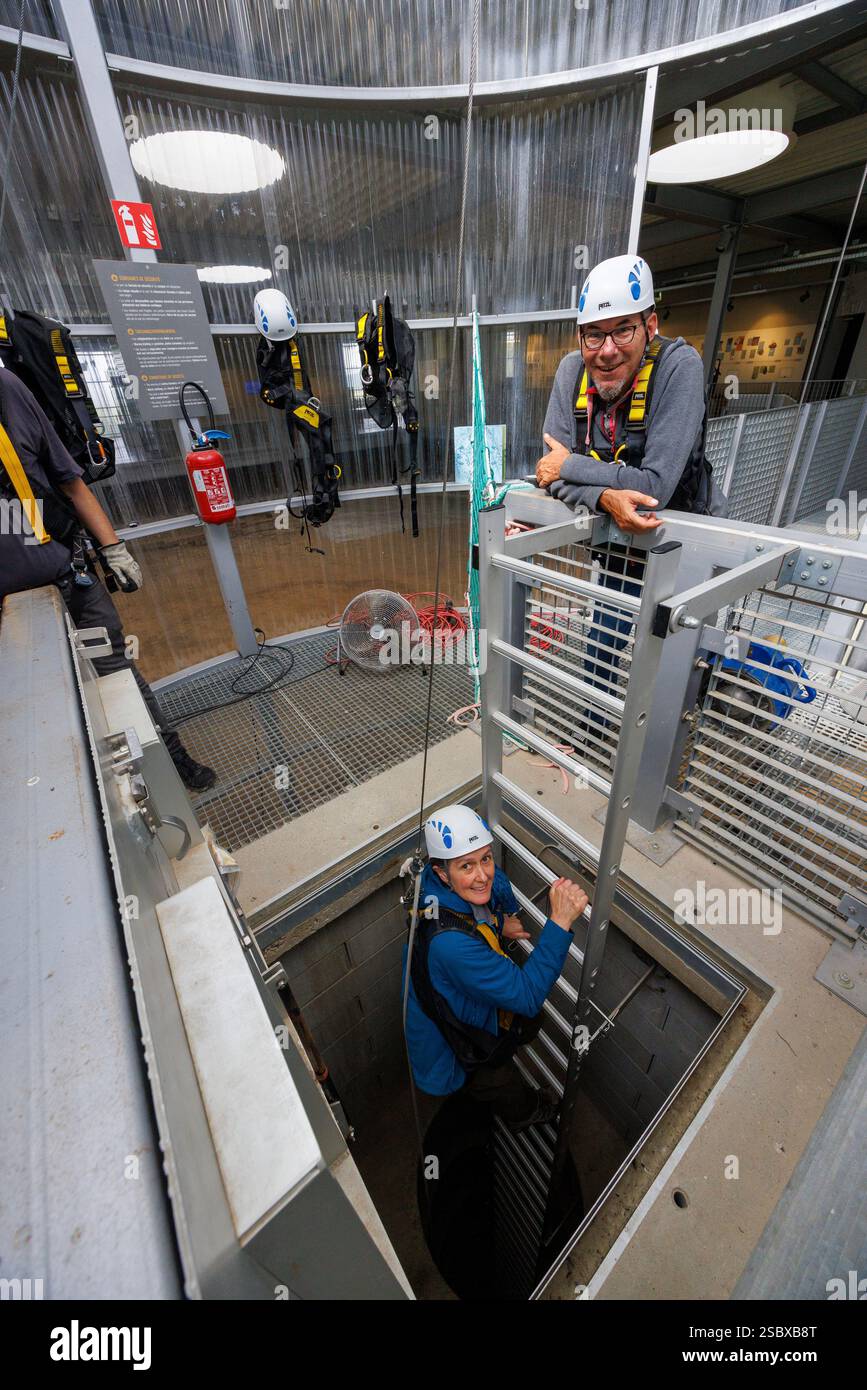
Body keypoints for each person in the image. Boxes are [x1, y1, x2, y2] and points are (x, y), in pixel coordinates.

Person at [535, 255, 729, 749]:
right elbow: (545, 475)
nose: (606, 351)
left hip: (681, 544)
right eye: (592, 335)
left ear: (650, 325)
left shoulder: (678, 368)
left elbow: (654, 487)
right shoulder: (569, 373)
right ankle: (594, 736)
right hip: (619, 545)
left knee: (677, 651)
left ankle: (667, 752)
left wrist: (573, 468)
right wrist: (603, 493)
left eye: (622, 331)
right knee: (604, 640)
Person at [0, 363, 217, 791]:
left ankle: (171, 758)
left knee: (116, 670)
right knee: (35, 701)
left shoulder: (7, 391)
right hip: (10, 614)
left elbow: (70, 482)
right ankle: (80, 790)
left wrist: (113, 548)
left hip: (65, 575)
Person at [402, 804, 588, 1132]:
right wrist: (558, 922)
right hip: (458, 1044)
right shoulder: (451, 947)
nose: (483, 875)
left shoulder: (432, 889)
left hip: (451, 1007)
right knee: (498, 1081)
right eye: (466, 866)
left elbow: (466, 917)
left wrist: (499, 923)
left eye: (485, 859)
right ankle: (528, 1113)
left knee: (522, 1028)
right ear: (443, 872)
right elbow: (529, 995)